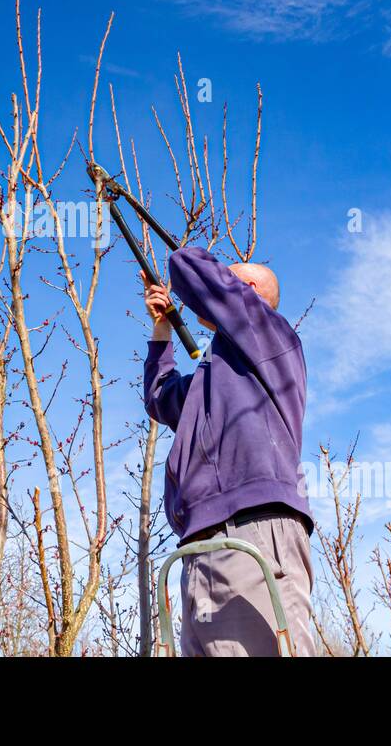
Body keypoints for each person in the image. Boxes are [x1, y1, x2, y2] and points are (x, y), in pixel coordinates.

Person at [142, 246, 314, 656]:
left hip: (253, 529)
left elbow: (188, 266)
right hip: (199, 547)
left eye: (228, 276)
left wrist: (181, 260)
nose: (218, 281)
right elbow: (160, 398)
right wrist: (162, 329)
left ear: (248, 291)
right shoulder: (213, 376)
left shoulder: (269, 333)